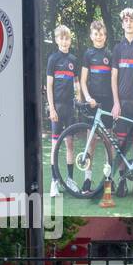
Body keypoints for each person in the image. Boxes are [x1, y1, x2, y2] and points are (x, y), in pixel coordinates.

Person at [110, 7, 133, 197]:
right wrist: (116, 102)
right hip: (122, 104)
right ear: (122, 24)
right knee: (122, 143)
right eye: (126, 20)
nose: (129, 22)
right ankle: (123, 181)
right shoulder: (117, 48)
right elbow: (114, 77)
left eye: (132, 19)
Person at [78, 18, 113, 194]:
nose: (99, 37)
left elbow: (114, 81)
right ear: (92, 36)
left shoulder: (109, 55)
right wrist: (88, 97)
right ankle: (87, 180)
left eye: (101, 34)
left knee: (108, 142)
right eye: (96, 34)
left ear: (105, 37)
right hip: (92, 102)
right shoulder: (88, 54)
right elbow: (83, 81)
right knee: (90, 142)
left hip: (108, 102)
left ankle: (108, 179)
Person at [44, 24, 79, 197]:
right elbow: (49, 86)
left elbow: (77, 83)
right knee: (55, 145)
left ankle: (70, 180)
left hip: (70, 108)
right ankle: (54, 182)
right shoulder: (53, 59)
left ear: (70, 40)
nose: (65, 41)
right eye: (61, 38)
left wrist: (79, 97)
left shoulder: (73, 59)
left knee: (70, 144)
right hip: (57, 107)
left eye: (67, 38)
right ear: (57, 40)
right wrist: (51, 108)